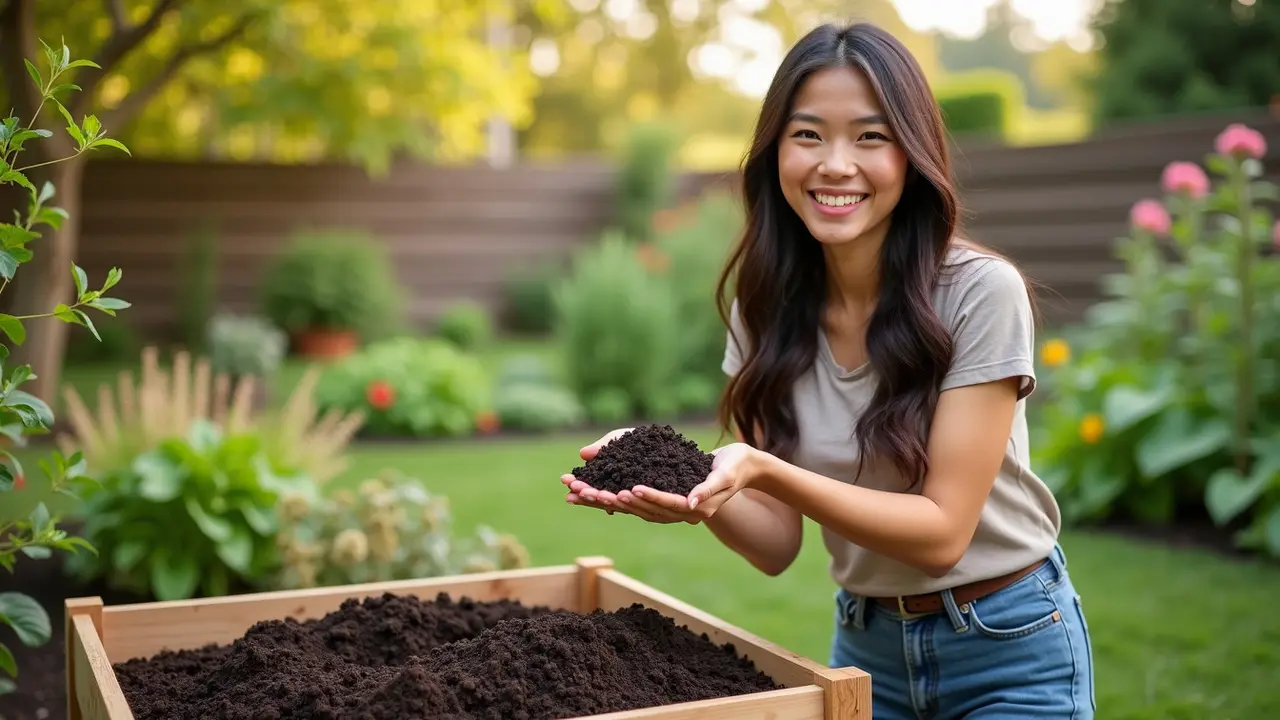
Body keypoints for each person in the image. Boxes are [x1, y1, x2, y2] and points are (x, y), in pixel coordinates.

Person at [560, 20, 1095, 720]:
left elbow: (942, 534)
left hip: (1007, 643)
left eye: (870, 137)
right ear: (775, 152)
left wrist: (760, 467)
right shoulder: (763, 309)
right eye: (807, 134)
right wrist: (696, 486)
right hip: (868, 648)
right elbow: (776, 542)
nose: (835, 165)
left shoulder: (978, 292)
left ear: (912, 154)